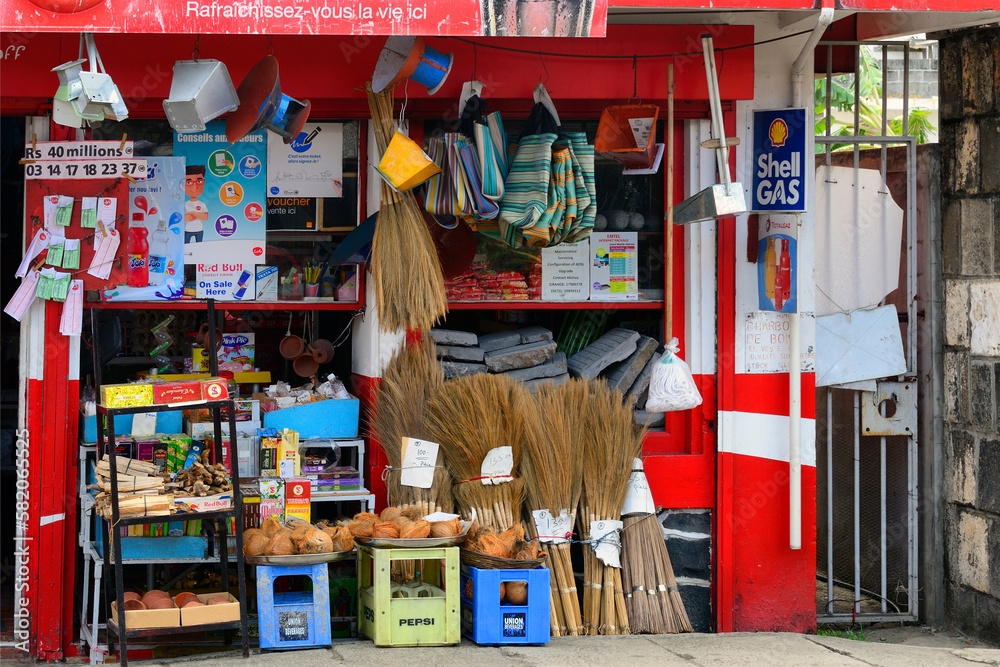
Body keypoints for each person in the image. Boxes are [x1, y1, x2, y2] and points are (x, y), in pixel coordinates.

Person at [184, 165, 209, 243]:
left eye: (199, 181)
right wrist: (199, 215)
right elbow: (186, 218)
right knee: (186, 248)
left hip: (199, 230)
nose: (195, 187)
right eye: (189, 182)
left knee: (199, 248)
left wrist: (192, 213)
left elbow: (205, 217)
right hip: (187, 230)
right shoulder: (185, 204)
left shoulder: (202, 204)